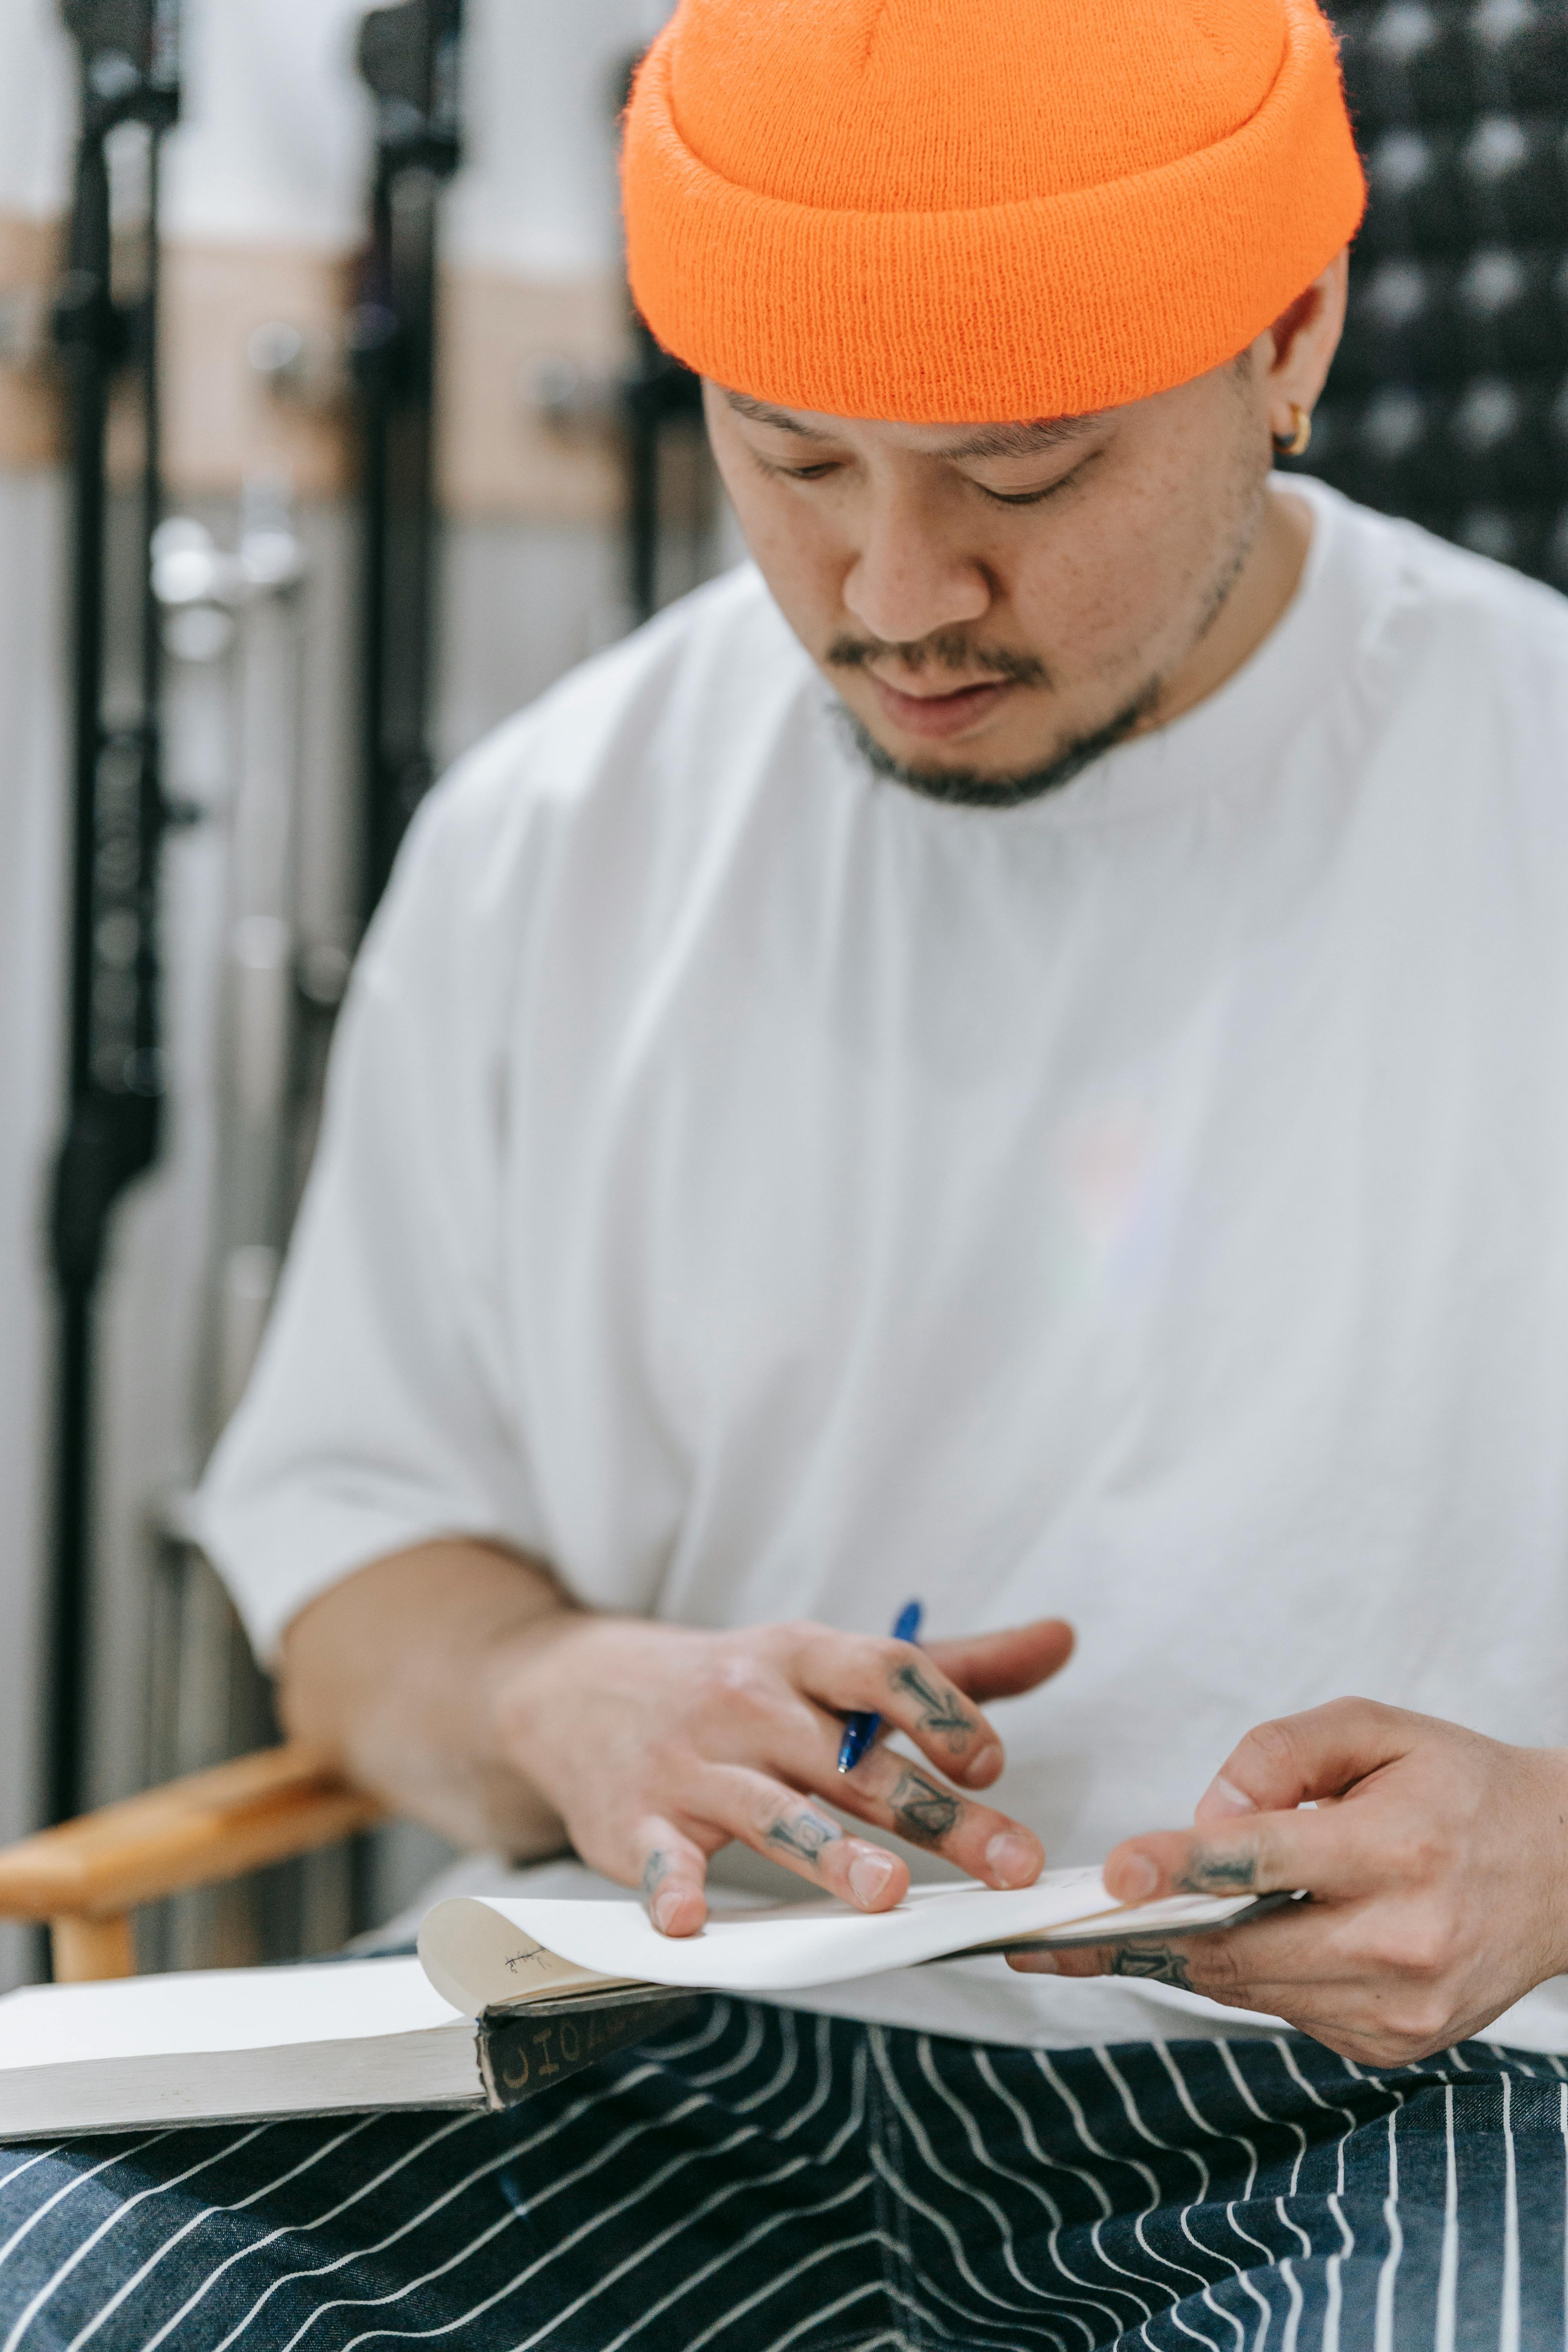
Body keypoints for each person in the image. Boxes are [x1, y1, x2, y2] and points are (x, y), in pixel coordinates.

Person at [7, 0, 1568, 2343]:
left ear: (1294, 333)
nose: (896, 593)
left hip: (1395, 2093)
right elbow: (352, 1561)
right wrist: (562, 1695)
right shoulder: (556, 833)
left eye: (1026, 476)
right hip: (648, 2046)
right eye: (792, 454)